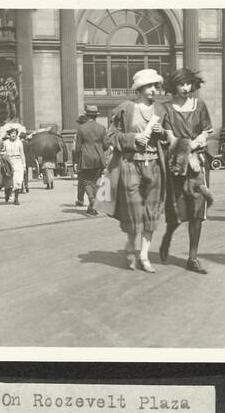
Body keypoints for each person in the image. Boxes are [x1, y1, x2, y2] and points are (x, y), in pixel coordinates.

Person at [104, 70, 168, 272]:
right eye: (150, 86)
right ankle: (131, 247)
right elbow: (110, 136)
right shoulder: (126, 108)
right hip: (131, 164)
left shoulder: (161, 110)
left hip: (155, 165)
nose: (154, 90)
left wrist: (162, 133)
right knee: (133, 210)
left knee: (151, 211)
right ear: (139, 88)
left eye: (156, 86)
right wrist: (133, 139)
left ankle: (144, 255)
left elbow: (169, 138)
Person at [158, 69, 214, 273]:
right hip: (177, 164)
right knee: (177, 209)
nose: (186, 88)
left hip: (198, 163)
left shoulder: (200, 106)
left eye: (189, 84)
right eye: (182, 84)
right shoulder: (165, 109)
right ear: (174, 87)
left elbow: (207, 130)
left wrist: (195, 146)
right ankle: (167, 237)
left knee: (197, 211)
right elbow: (170, 137)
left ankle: (193, 257)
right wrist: (186, 150)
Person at [73, 105, 107, 216]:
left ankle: (92, 200)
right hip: (98, 158)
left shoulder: (81, 128)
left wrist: (77, 160)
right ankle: (92, 207)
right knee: (96, 182)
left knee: (86, 181)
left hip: (86, 158)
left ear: (87, 115)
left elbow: (77, 148)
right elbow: (106, 145)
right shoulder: (102, 128)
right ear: (96, 116)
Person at [31, 124, 65, 189]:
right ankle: (51, 183)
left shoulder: (43, 143)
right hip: (51, 162)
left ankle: (48, 184)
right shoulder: (53, 142)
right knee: (50, 173)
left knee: (46, 174)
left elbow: (41, 153)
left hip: (45, 162)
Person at [0, 124, 27, 204]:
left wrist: (24, 164)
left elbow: (22, 154)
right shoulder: (5, 143)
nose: (13, 135)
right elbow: (2, 152)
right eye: (12, 133)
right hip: (8, 162)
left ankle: (16, 199)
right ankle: (7, 193)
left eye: (15, 133)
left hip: (18, 161)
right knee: (9, 182)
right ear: (9, 134)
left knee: (18, 180)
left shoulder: (19, 143)